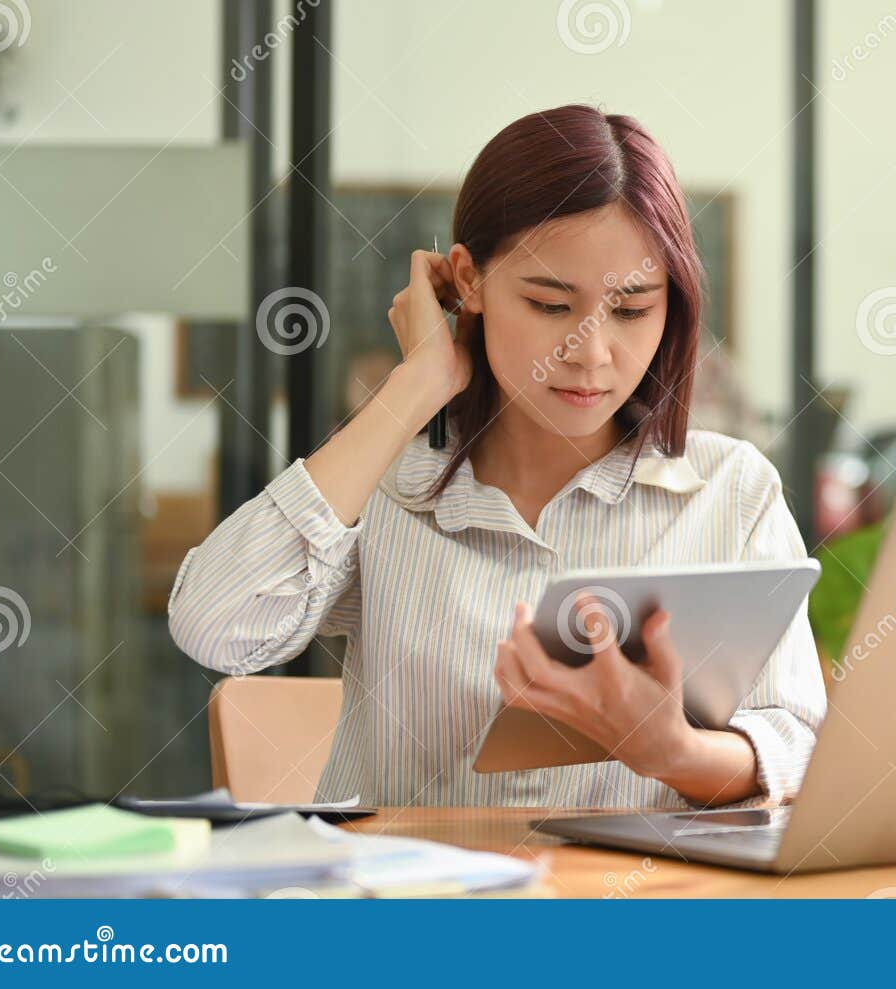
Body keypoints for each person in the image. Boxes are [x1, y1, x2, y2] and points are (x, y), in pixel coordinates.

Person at [167, 104, 826, 810]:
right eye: (549, 304)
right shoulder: (385, 487)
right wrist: (418, 384)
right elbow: (215, 625)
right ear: (469, 281)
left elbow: (799, 743)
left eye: (633, 310)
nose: (593, 356)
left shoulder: (731, 491)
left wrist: (673, 751)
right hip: (412, 911)